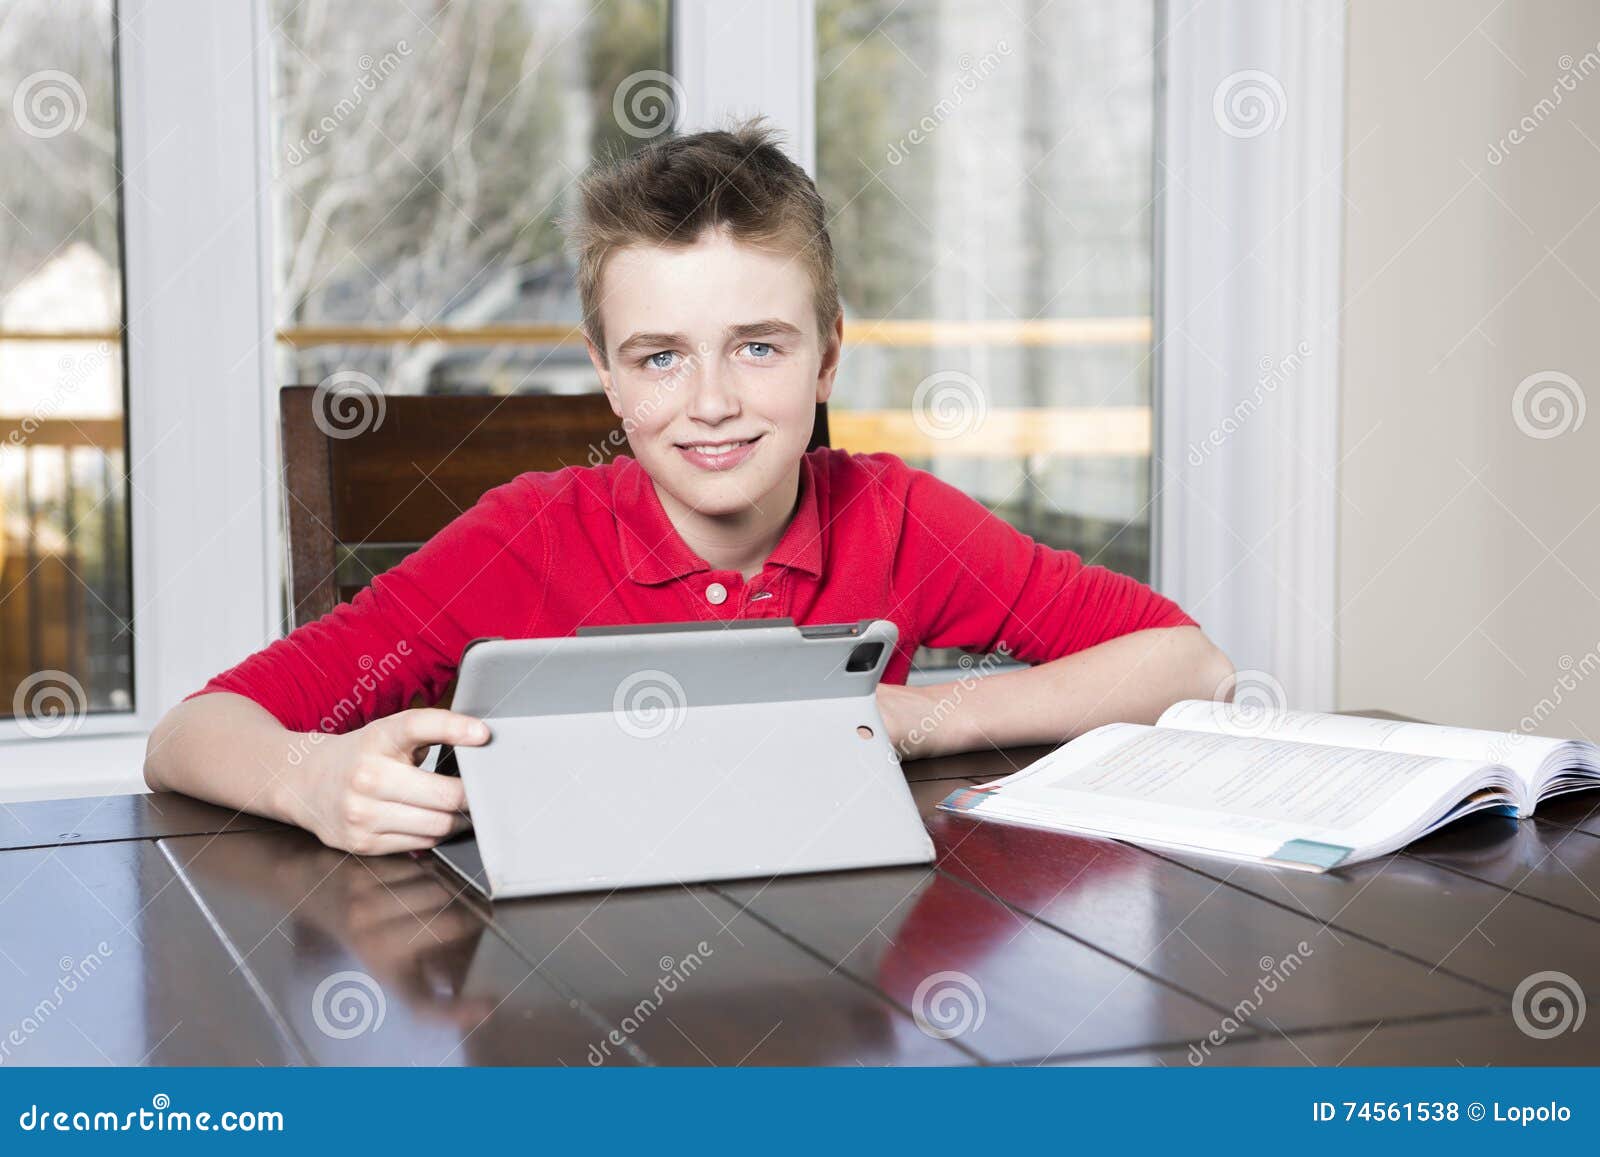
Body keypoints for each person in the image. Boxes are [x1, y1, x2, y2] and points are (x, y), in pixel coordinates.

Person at [144, 120, 1233, 855]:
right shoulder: (521, 537)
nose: (709, 400)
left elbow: (1189, 664)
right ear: (606, 374)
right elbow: (189, 735)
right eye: (660, 356)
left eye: (757, 347)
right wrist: (307, 778)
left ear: (828, 356)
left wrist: (914, 715)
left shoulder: (895, 520)